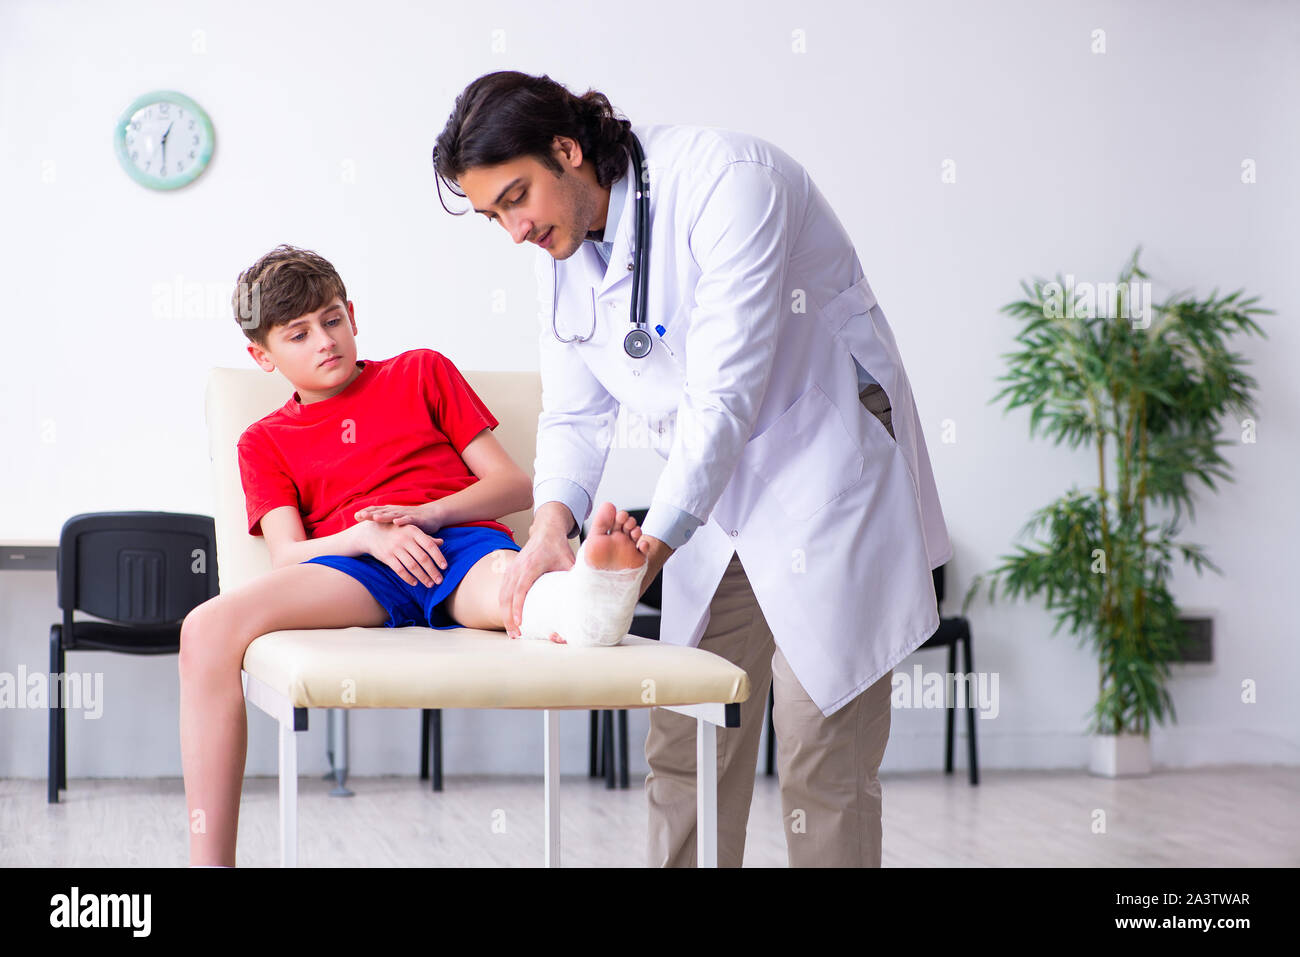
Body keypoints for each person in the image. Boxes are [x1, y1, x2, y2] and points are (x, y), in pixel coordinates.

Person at [433, 72, 953, 867]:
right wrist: (548, 530)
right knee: (686, 733)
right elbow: (575, 411)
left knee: (823, 743)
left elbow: (726, 395)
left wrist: (640, 561)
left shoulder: (732, 182)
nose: (513, 230)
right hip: (711, 482)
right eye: (493, 214)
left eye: (515, 197)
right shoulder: (559, 245)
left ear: (568, 151)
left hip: (823, 460)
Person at [179, 244, 646, 867]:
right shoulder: (263, 441)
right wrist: (367, 536)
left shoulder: (419, 372)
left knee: (515, 588)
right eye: (299, 334)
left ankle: (585, 599)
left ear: (352, 313)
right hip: (353, 568)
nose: (325, 341)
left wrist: (426, 515)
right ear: (262, 355)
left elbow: (511, 486)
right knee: (204, 627)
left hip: (458, 544)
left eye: (333, 320)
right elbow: (289, 555)